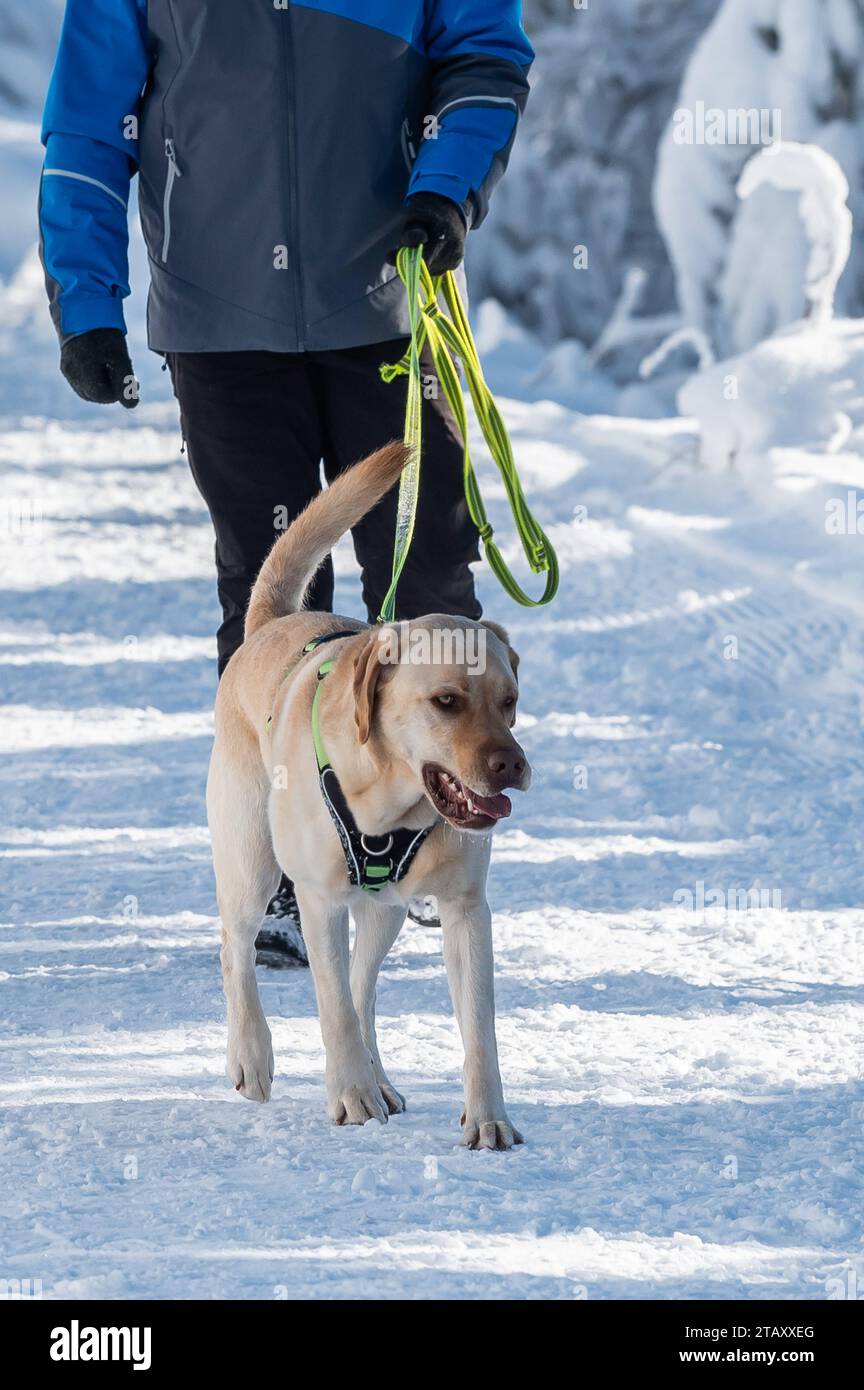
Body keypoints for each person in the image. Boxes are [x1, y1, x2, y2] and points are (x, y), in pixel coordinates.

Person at [39, 0, 533, 961]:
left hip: (392, 303)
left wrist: (445, 188)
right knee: (269, 600)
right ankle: (279, 863)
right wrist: (87, 300)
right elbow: (89, 124)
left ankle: (431, 831)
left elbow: (484, 59)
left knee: (430, 585)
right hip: (221, 321)